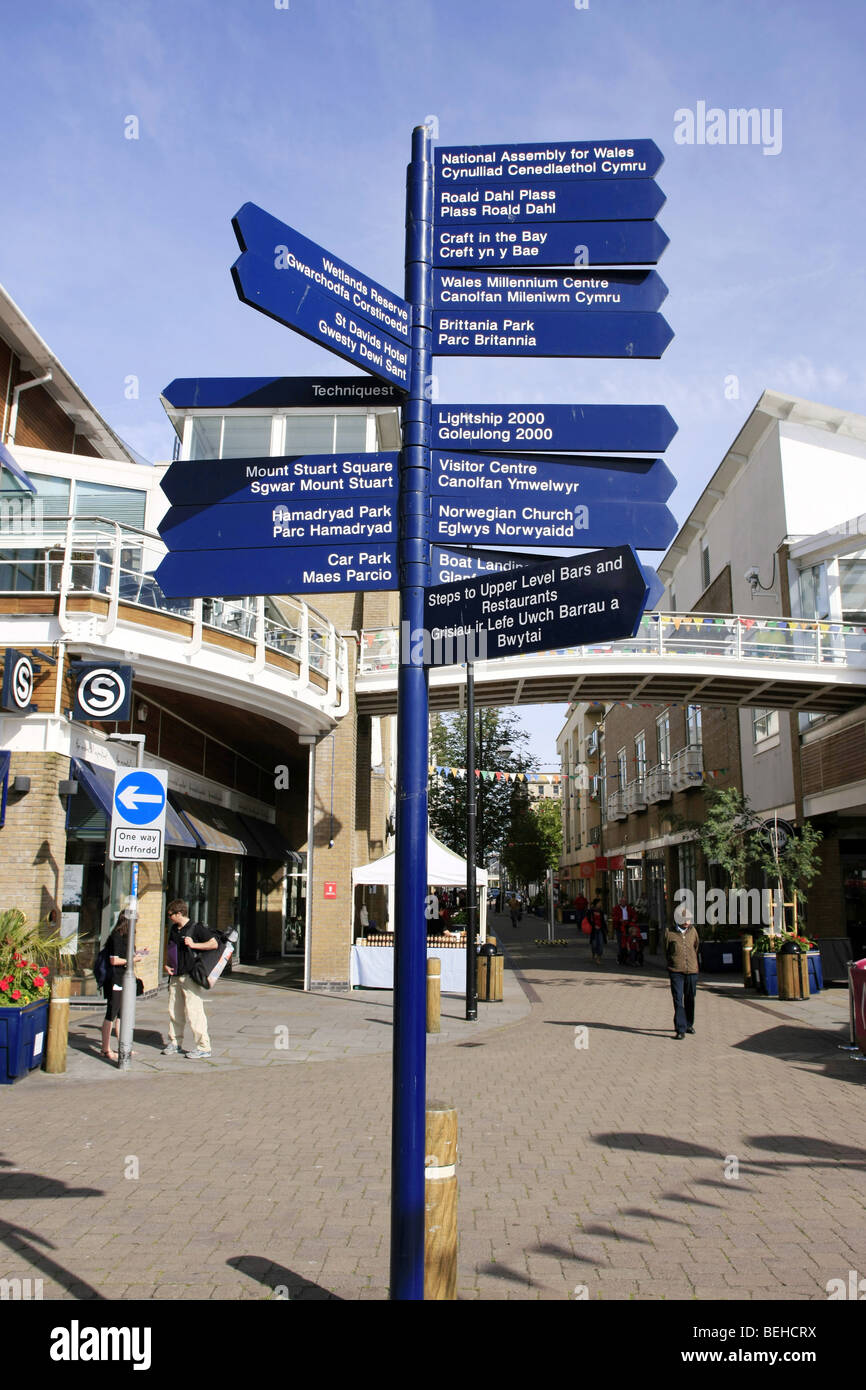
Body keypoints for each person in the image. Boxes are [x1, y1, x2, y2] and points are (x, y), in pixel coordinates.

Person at [162, 899, 219, 1059]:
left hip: (190, 976)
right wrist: (166, 965)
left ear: (179, 913)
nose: (170, 917)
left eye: (171, 914)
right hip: (175, 976)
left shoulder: (197, 928)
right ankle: (175, 1042)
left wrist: (194, 945)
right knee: (174, 1011)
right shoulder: (174, 929)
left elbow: (213, 944)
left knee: (195, 1012)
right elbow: (171, 949)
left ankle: (203, 1047)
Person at [100, 913, 143, 1060]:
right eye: (134, 922)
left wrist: (136, 954)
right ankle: (105, 1048)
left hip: (124, 978)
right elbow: (114, 960)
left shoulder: (127, 937)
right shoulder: (116, 937)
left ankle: (123, 1045)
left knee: (122, 1014)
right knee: (112, 1012)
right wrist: (133, 959)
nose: (135, 926)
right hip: (115, 979)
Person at [665, 903, 701, 1040]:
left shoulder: (693, 931)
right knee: (678, 998)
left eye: (689, 919)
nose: (687, 922)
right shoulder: (669, 932)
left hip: (691, 970)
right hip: (676, 970)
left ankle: (688, 1024)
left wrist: (692, 962)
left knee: (690, 997)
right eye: (684, 919)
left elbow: (696, 947)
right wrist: (673, 962)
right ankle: (680, 1028)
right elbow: (666, 950)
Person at [588, 897, 607, 966]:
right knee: (594, 944)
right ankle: (594, 953)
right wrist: (594, 925)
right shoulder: (591, 911)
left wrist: (606, 930)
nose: (600, 904)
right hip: (594, 930)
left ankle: (598, 958)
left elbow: (603, 921)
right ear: (596, 904)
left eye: (600, 903)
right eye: (599, 903)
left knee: (601, 944)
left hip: (600, 930)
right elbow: (589, 920)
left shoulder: (601, 912)